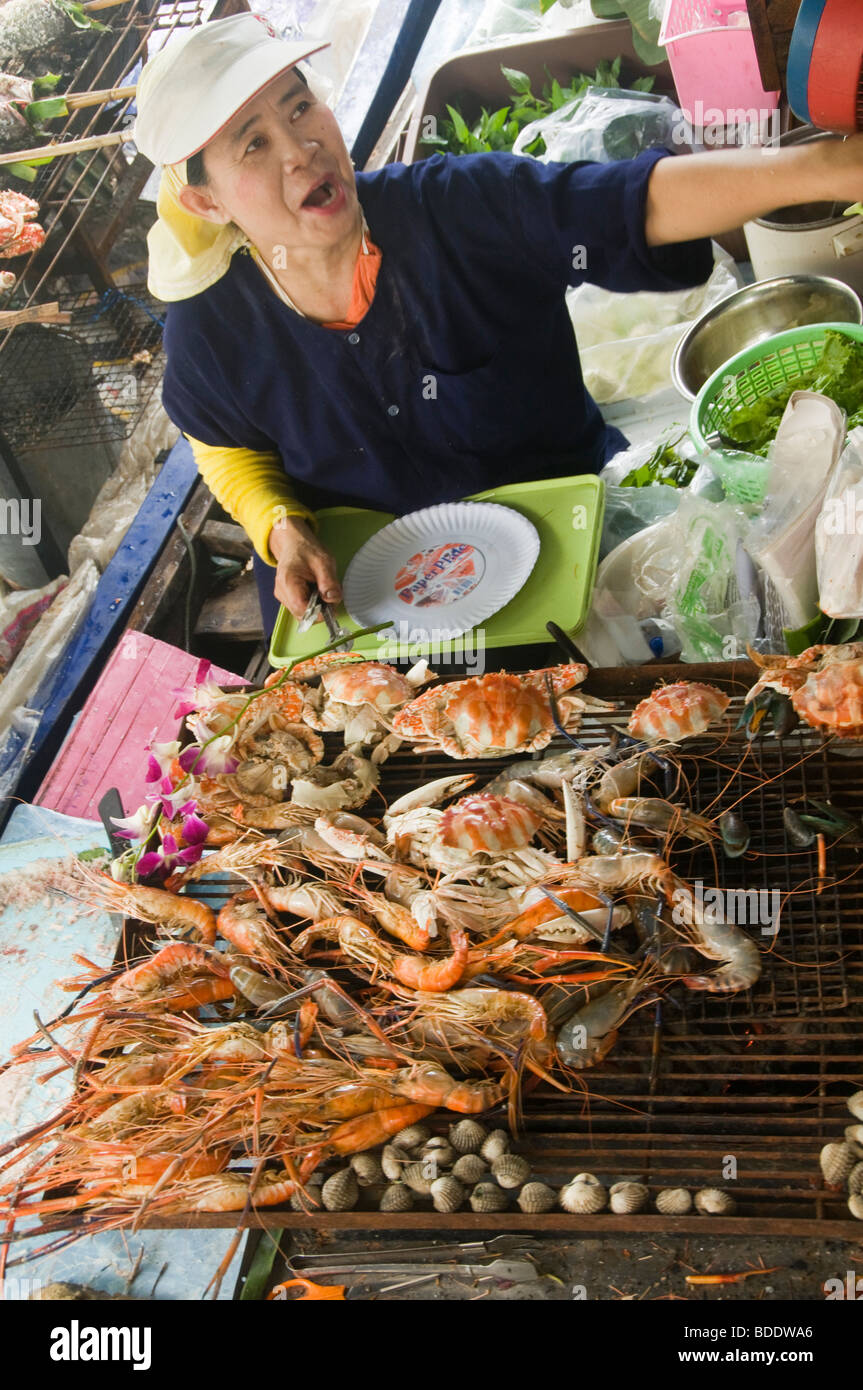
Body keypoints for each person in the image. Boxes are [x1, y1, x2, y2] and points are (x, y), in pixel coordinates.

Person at [135, 13, 863, 636]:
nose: (300, 150)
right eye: (253, 145)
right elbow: (225, 442)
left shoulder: (457, 211)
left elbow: (630, 204)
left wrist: (826, 169)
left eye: (299, 109)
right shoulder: (211, 328)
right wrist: (277, 524)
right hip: (373, 615)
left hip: (577, 566)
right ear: (206, 203)